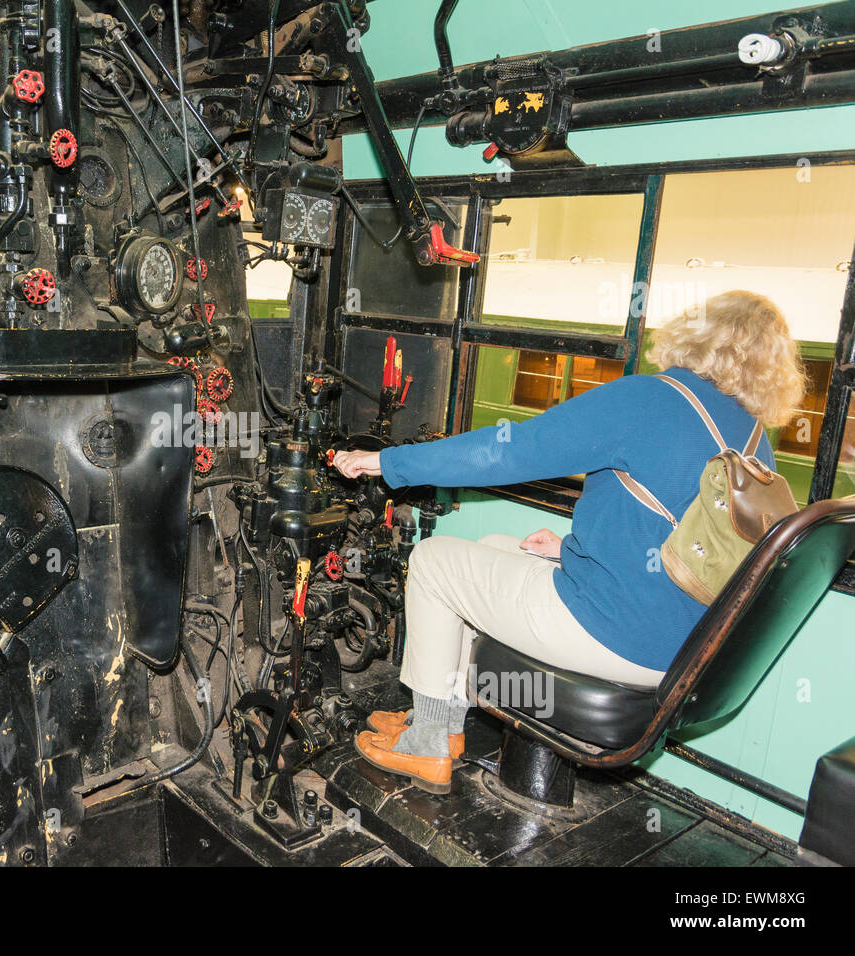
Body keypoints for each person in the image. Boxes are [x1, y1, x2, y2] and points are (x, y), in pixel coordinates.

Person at [331, 290, 807, 793]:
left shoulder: (649, 398)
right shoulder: (757, 445)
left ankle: (426, 743)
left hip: (614, 635)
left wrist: (388, 463)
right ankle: (444, 721)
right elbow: (689, 540)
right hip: (689, 653)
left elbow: (507, 451)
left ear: (696, 334)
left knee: (432, 562)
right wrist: (567, 547)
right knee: (494, 543)